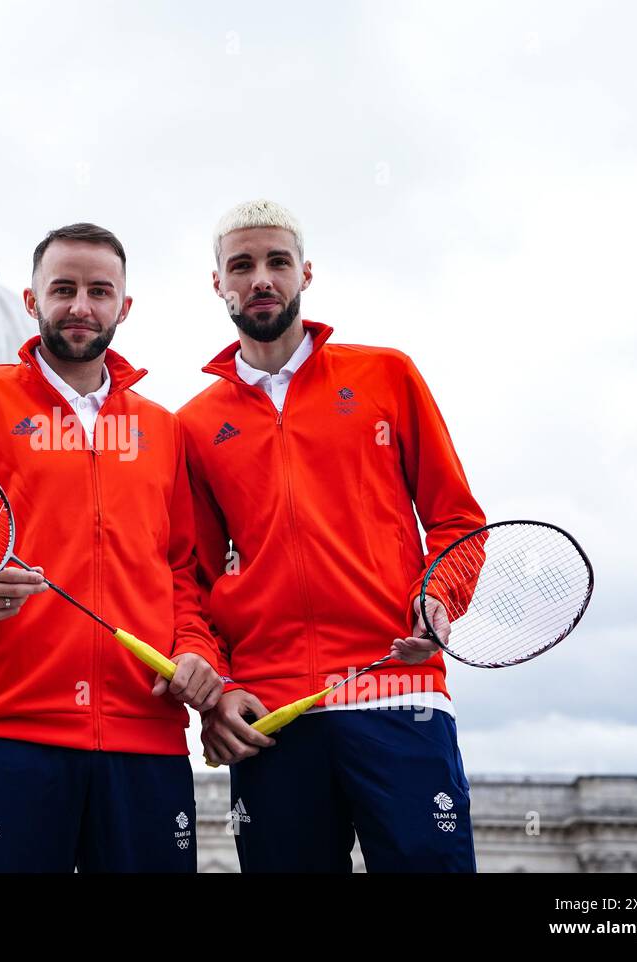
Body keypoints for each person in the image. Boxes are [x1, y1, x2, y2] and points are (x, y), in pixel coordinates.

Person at [0, 223, 223, 872]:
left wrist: (193, 650)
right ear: (30, 299)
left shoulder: (163, 428)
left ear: (124, 307)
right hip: (17, 731)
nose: (81, 306)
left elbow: (185, 570)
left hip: (147, 735)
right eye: (63, 289)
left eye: (100, 291)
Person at [181, 199, 485, 872]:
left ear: (305, 273)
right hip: (271, 713)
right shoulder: (196, 425)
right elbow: (189, 581)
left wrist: (442, 594)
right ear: (218, 283)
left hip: (397, 690)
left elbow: (457, 520)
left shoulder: (387, 376)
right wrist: (222, 686)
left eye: (277, 262)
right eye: (242, 264)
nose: (261, 278)